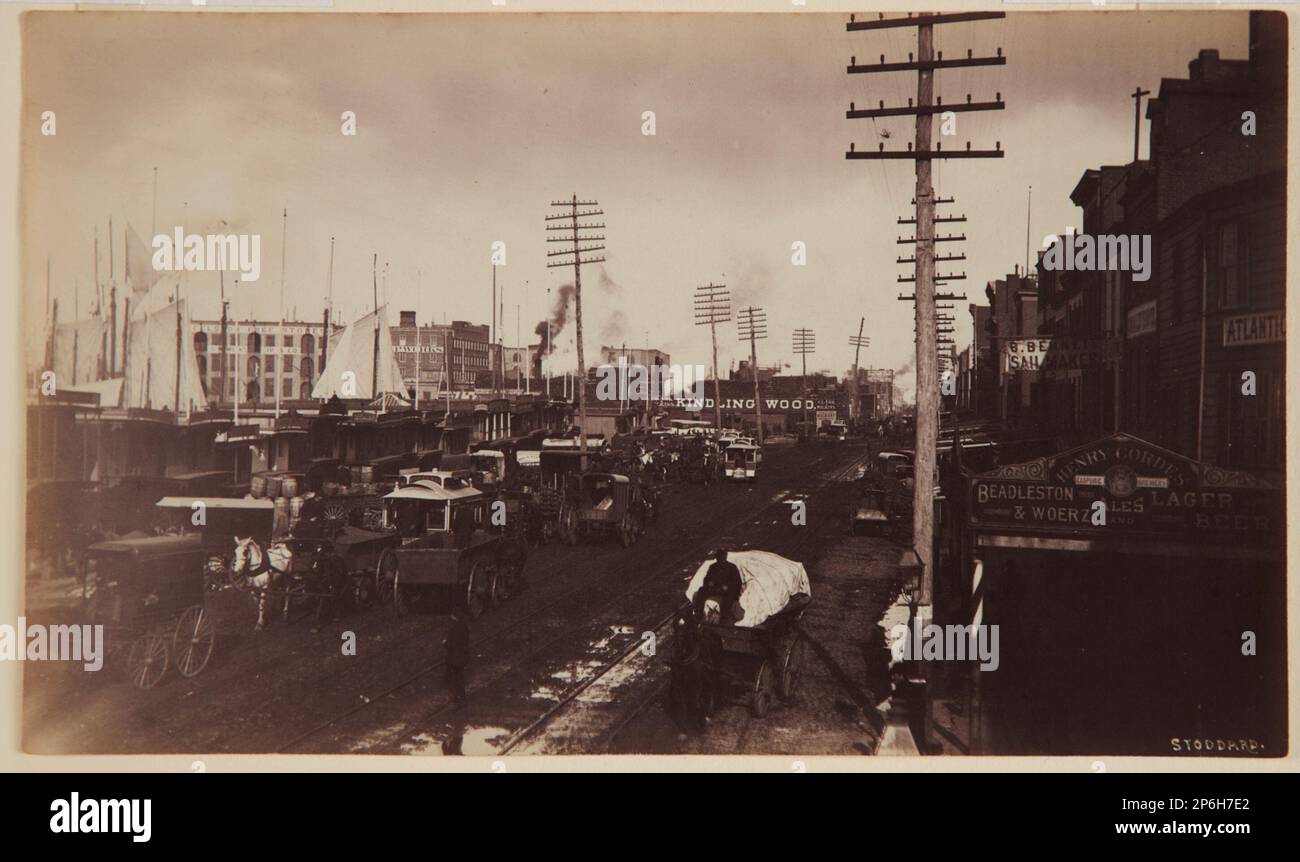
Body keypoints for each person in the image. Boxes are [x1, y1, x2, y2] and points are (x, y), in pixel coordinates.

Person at [694, 549, 745, 625]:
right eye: (718, 557)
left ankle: (724, 618)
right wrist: (709, 583)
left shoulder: (731, 567)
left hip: (727, 590)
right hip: (714, 589)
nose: (720, 559)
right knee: (701, 590)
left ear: (725, 557)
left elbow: (737, 582)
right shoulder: (713, 567)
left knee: (729, 598)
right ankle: (699, 614)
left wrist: (728, 586)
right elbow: (706, 579)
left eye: (722, 556)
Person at [442, 608, 470, 707]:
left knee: (455, 680)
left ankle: (457, 700)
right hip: (462, 657)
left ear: (454, 617)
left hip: (453, 658)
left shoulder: (452, 629)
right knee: (460, 679)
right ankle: (461, 699)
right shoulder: (465, 628)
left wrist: (444, 643)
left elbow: (450, 644)